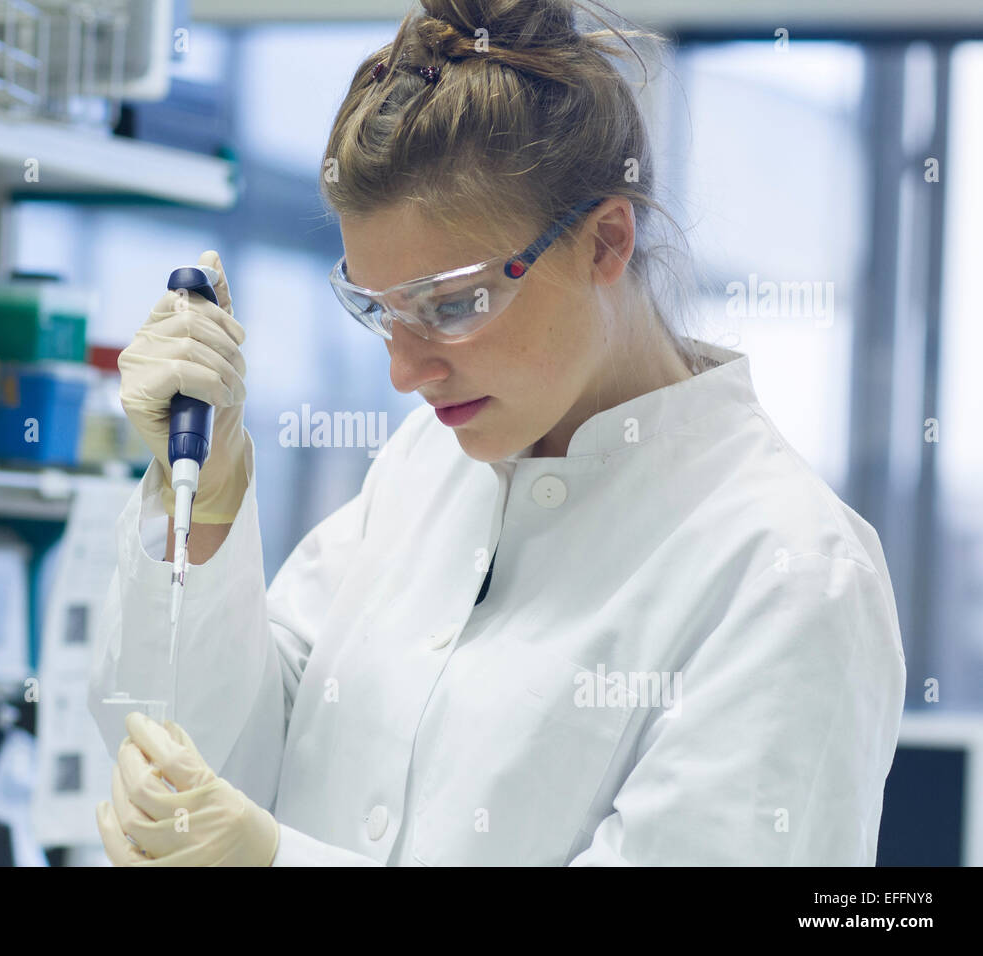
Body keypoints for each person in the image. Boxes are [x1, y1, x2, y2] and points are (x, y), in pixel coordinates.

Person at [90, 0, 906, 866]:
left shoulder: (790, 573)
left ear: (605, 241)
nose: (405, 372)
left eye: (452, 304)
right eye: (381, 310)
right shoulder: (424, 467)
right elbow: (207, 770)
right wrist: (208, 503)